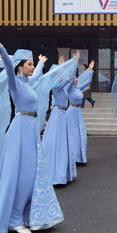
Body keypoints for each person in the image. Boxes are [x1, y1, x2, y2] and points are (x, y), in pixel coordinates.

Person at [0, 30, 64, 233]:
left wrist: (43, 64)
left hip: (31, 130)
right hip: (19, 130)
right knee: (19, 176)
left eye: (33, 64)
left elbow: (38, 76)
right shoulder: (15, 83)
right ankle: (14, 220)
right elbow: (8, 65)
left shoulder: (29, 83)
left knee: (31, 175)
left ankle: (23, 215)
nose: (32, 67)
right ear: (19, 67)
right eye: (29, 64)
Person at [42, 53, 80, 185]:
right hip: (57, 116)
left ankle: (63, 172)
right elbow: (67, 80)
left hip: (63, 116)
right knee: (56, 143)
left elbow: (70, 80)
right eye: (59, 73)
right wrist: (69, 64)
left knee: (64, 143)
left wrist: (72, 65)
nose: (61, 75)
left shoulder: (64, 88)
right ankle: (55, 173)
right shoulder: (56, 87)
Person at [67, 61, 95, 165]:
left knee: (81, 133)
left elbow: (88, 82)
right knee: (73, 134)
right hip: (71, 112)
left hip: (78, 112)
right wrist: (73, 66)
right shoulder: (69, 89)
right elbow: (69, 82)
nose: (77, 79)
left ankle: (79, 156)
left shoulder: (78, 88)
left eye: (76, 77)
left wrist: (91, 70)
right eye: (75, 77)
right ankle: (72, 156)